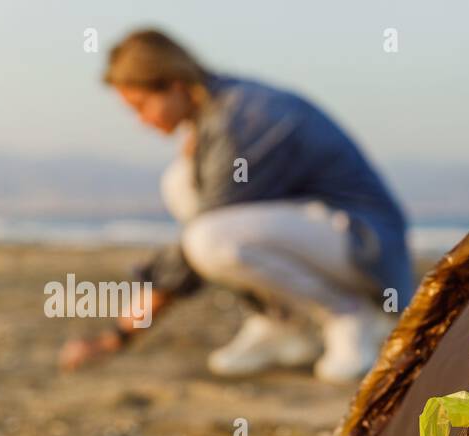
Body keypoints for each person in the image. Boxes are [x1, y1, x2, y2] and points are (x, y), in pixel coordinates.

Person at [60, 28, 414, 381]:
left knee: (209, 239)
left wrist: (118, 336)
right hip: (318, 232)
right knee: (181, 184)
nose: (142, 122)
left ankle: (351, 314)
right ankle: (281, 324)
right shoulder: (217, 111)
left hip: (366, 243)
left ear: (176, 84)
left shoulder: (244, 120)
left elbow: (192, 253)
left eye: (141, 106)